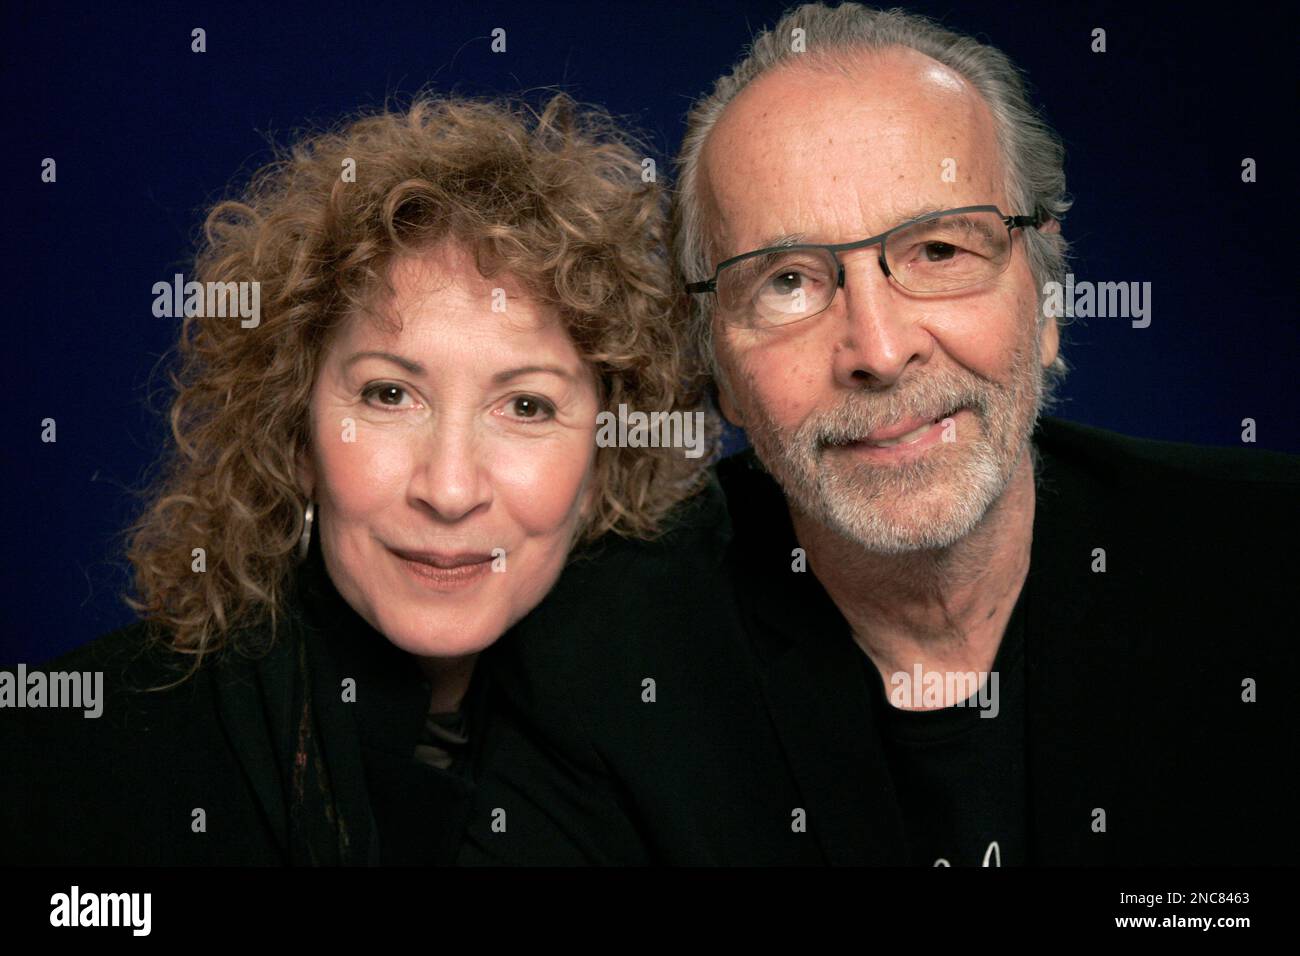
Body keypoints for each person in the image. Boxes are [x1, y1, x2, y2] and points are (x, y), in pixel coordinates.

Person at [460, 3, 1299, 865]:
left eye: (939, 251)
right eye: (787, 281)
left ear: (1048, 298)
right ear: (718, 364)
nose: (881, 350)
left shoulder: (1274, 566)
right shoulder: (591, 667)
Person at [0, 93, 713, 865]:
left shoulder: (677, 755)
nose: (448, 489)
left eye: (527, 406)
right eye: (389, 395)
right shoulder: (65, 763)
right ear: (295, 430)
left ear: (607, 456)